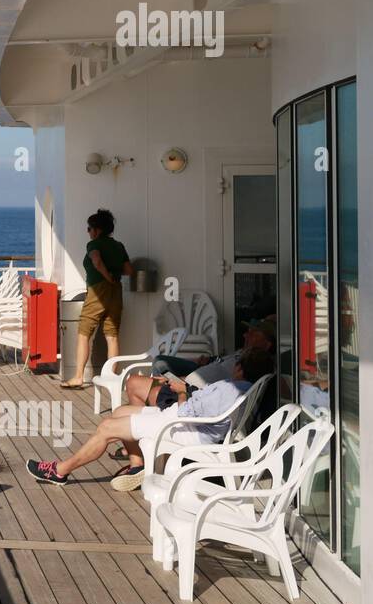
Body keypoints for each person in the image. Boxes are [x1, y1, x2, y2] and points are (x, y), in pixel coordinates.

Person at [26, 347, 273, 492]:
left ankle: (60, 471)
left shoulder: (227, 389)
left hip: (179, 428)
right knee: (120, 412)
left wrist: (181, 391)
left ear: (240, 369)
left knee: (106, 428)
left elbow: (186, 412)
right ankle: (138, 465)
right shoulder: (241, 388)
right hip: (183, 422)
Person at [124, 317, 275, 409]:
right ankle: (143, 426)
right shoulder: (242, 353)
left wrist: (177, 383)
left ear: (267, 344)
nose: (245, 334)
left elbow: (220, 386)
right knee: (160, 363)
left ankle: (145, 428)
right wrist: (207, 361)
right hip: (192, 380)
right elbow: (221, 364)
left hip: (192, 393)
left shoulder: (253, 364)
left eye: (254, 333)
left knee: (135, 382)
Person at [61, 209, 133, 389]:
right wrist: (113, 275)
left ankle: (78, 377)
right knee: (112, 335)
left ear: (97, 230)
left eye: (89, 228)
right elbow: (129, 271)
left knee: (84, 332)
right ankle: (112, 378)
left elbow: (96, 261)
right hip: (116, 291)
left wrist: (106, 275)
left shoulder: (94, 245)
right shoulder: (119, 246)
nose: (88, 231)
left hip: (97, 290)